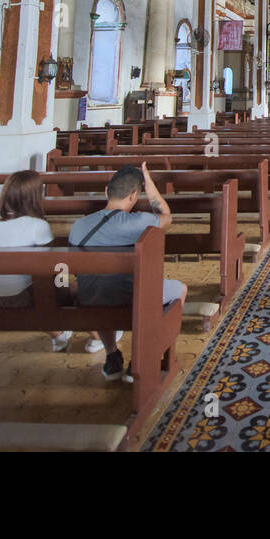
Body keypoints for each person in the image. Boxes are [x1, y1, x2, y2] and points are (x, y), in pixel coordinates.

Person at [69, 163, 187, 381]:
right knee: (180, 290)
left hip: (90, 300)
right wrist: (148, 182)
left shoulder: (79, 225)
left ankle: (112, 355)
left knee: (99, 285)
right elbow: (166, 216)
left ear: (107, 191)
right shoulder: (138, 222)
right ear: (134, 195)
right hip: (131, 300)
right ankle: (143, 357)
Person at [0, 170, 74, 353]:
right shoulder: (36, 225)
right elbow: (54, 263)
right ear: (34, 197)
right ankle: (59, 331)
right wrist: (65, 288)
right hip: (21, 299)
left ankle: (59, 332)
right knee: (62, 272)